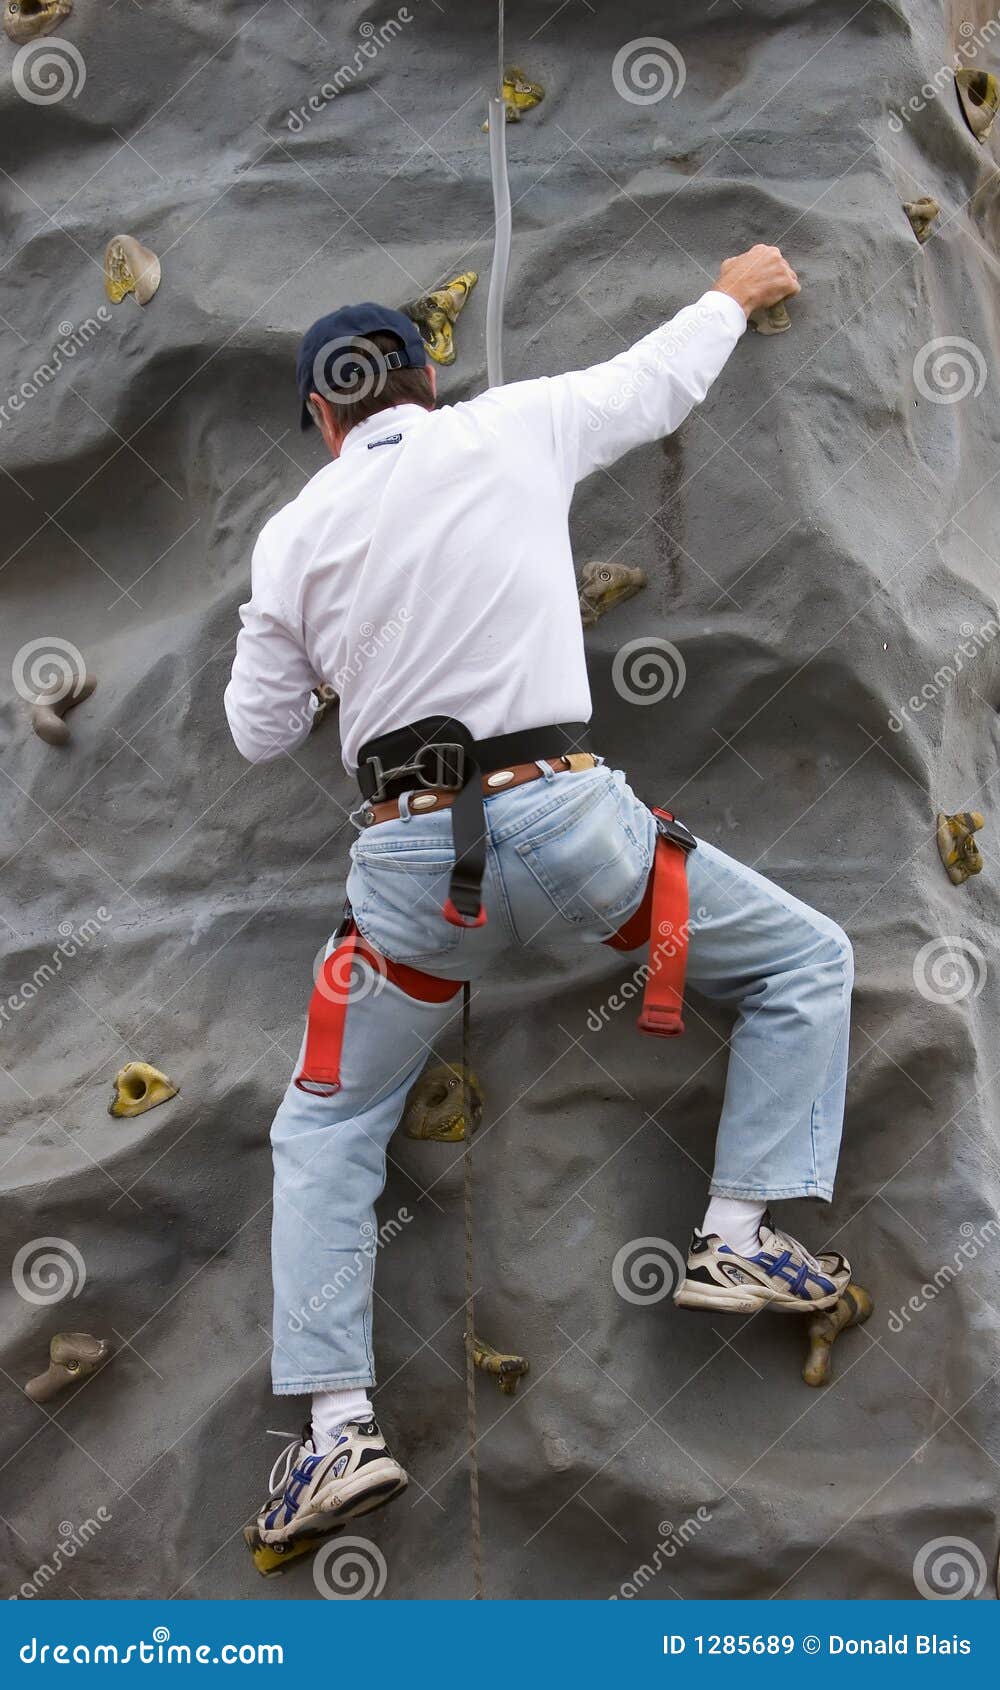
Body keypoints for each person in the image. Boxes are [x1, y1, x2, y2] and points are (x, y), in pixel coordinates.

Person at [224, 245, 854, 1560]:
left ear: (326, 421)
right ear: (429, 377)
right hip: (577, 834)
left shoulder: (294, 538)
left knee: (330, 1130)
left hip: (409, 885)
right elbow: (656, 385)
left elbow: (256, 730)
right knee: (806, 962)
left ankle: (336, 1428)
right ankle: (741, 1232)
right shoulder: (514, 424)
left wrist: (350, 652)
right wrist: (732, 288)